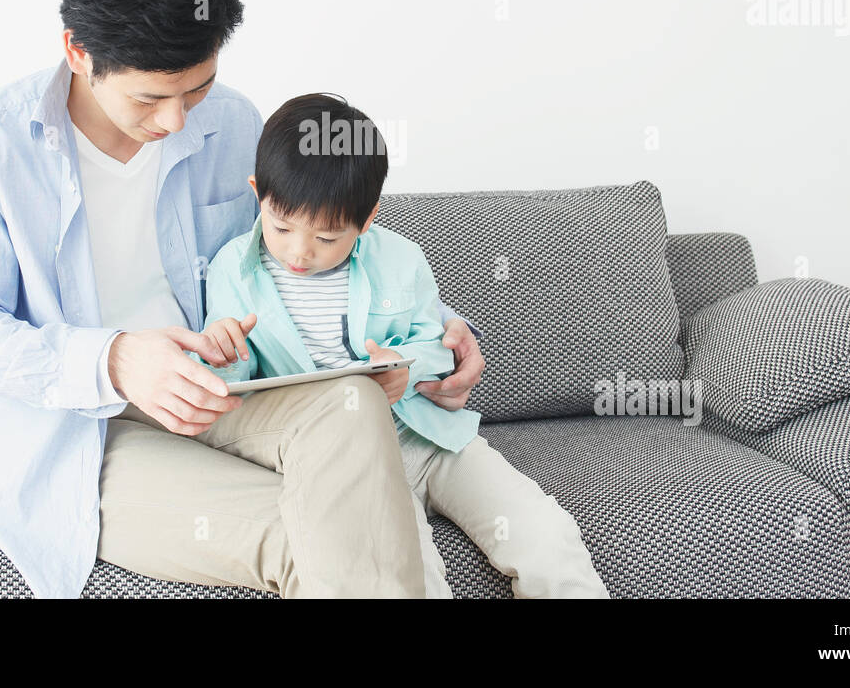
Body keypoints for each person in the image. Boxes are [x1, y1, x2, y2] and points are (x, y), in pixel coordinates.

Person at [0, 0, 487, 598]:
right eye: (150, 98)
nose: (175, 120)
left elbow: (295, 252)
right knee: (327, 535)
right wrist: (117, 359)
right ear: (78, 51)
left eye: (197, 88)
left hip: (237, 387)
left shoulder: (233, 121)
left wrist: (435, 328)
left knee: (354, 402)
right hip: (88, 430)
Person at [195, 93, 612, 599]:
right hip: (354, 464)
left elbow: (437, 343)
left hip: (432, 439)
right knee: (412, 574)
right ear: (257, 194)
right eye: (282, 227)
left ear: (366, 219)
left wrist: (404, 369)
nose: (300, 252)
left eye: (327, 238)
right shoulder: (231, 271)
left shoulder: (400, 258)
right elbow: (240, 392)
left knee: (546, 539)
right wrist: (223, 355)